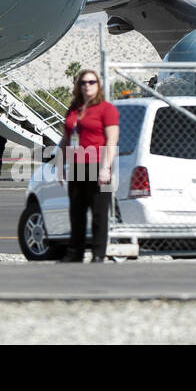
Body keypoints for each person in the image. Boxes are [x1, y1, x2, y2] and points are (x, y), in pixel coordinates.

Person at [58, 68, 119, 263]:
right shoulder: (74, 110)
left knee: (99, 214)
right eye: (83, 82)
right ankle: (75, 252)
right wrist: (60, 165)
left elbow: (112, 140)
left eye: (91, 82)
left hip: (98, 165)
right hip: (77, 166)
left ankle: (99, 254)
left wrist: (105, 168)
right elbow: (66, 139)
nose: (87, 86)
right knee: (76, 212)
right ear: (78, 86)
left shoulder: (106, 109)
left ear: (98, 85)